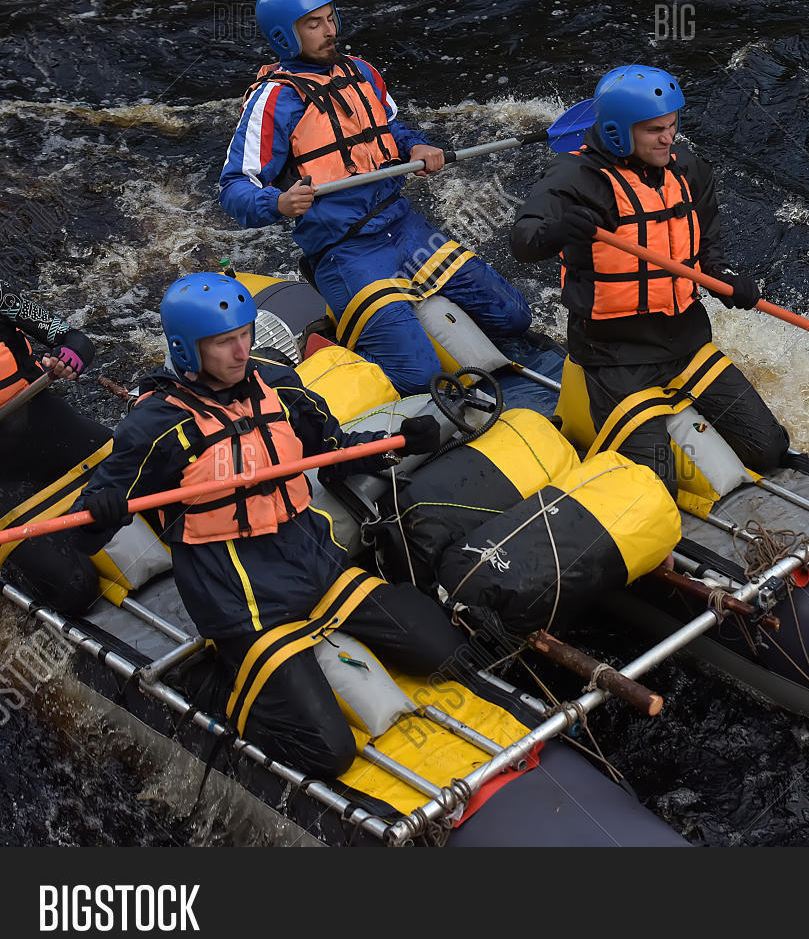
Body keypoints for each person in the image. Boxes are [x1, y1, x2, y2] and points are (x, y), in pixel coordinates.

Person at [73, 272, 464, 780]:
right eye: (223, 343)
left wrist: (396, 443)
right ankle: (213, 683)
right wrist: (102, 509)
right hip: (238, 597)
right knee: (328, 753)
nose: (241, 352)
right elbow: (84, 529)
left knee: (447, 654)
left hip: (313, 564)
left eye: (246, 335)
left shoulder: (278, 386)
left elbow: (331, 450)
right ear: (187, 352)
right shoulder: (155, 426)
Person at [218, 0, 531, 395]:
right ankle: (342, 343)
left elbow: (389, 127)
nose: (330, 31)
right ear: (284, 36)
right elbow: (234, 187)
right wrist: (278, 203)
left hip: (404, 228)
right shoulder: (274, 99)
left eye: (331, 18)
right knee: (418, 380)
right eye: (313, 24)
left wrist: (417, 146)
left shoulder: (361, 71)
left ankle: (404, 319)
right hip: (345, 251)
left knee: (514, 317)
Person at [510, 65, 789, 495]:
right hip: (614, 354)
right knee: (659, 487)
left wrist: (722, 274)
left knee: (769, 449)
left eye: (673, 125)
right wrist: (561, 227)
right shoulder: (575, 179)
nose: (668, 138)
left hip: (685, 342)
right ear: (619, 132)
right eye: (654, 130)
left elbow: (707, 240)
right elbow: (525, 242)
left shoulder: (689, 170)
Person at [0, 281, 110, 613]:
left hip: (47, 430)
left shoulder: (5, 301)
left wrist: (69, 358)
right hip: (4, 484)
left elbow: (75, 340)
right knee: (75, 586)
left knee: (152, 466)